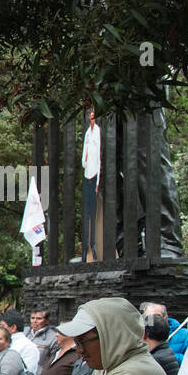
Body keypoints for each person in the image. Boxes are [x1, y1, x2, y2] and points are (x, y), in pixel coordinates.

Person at [82, 106, 101, 260]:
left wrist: (98, 180)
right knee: (87, 212)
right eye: (90, 116)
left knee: (94, 213)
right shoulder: (88, 133)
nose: (92, 119)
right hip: (87, 172)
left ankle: (94, 245)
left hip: (95, 174)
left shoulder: (98, 132)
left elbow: (99, 156)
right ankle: (86, 246)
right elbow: (85, 154)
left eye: (94, 116)